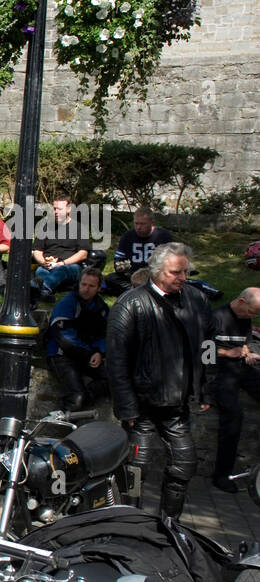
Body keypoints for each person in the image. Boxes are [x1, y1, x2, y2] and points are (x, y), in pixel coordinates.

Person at [106, 242, 214, 520]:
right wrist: (127, 406)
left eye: (185, 272)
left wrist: (204, 388)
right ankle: (128, 522)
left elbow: (208, 346)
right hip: (142, 404)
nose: (182, 278)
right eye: (175, 272)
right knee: (135, 469)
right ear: (156, 271)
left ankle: (170, 524)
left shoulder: (196, 300)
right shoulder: (131, 303)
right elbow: (117, 360)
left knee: (184, 464)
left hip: (177, 403)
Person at [210, 287, 260, 492]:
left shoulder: (244, 318)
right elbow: (203, 352)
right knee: (233, 416)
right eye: (252, 312)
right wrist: (227, 352)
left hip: (242, 368)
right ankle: (222, 475)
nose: (253, 316)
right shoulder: (216, 317)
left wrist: (248, 353)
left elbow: (245, 344)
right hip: (220, 372)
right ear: (241, 301)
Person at [45, 267, 108, 411]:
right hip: (61, 355)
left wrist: (99, 352)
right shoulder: (67, 303)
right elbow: (64, 338)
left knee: (112, 379)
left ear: (98, 288)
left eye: (91, 286)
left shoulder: (101, 308)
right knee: (76, 396)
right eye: (83, 284)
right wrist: (89, 354)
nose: (86, 289)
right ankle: (65, 424)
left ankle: (84, 401)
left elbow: (106, 335)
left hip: (87, 355)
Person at [108, 207, 174, 296]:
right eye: (136, 224)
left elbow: (172, 260)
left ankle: (135, 291)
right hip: (133, 274)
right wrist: (122, 267)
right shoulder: (128, 236)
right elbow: (119, 260)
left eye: (143, 224)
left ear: (152, 223)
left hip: (155, 274)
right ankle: (142, 291)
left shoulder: (163, 236)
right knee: (111, 278)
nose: (139, 227)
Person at [32, 196, 89, 299]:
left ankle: (40, 289)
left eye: (60, 209)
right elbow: (37, 250)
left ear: (68, 209)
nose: (56, 212)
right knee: (40, 271)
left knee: (62, 270)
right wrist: (43, 262)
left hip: (70, 266)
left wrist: (61, 263)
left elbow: (83, 254)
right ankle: (45, 292)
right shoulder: (46, 227)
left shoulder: (79, 228)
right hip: (47, 265)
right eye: (54, 209)